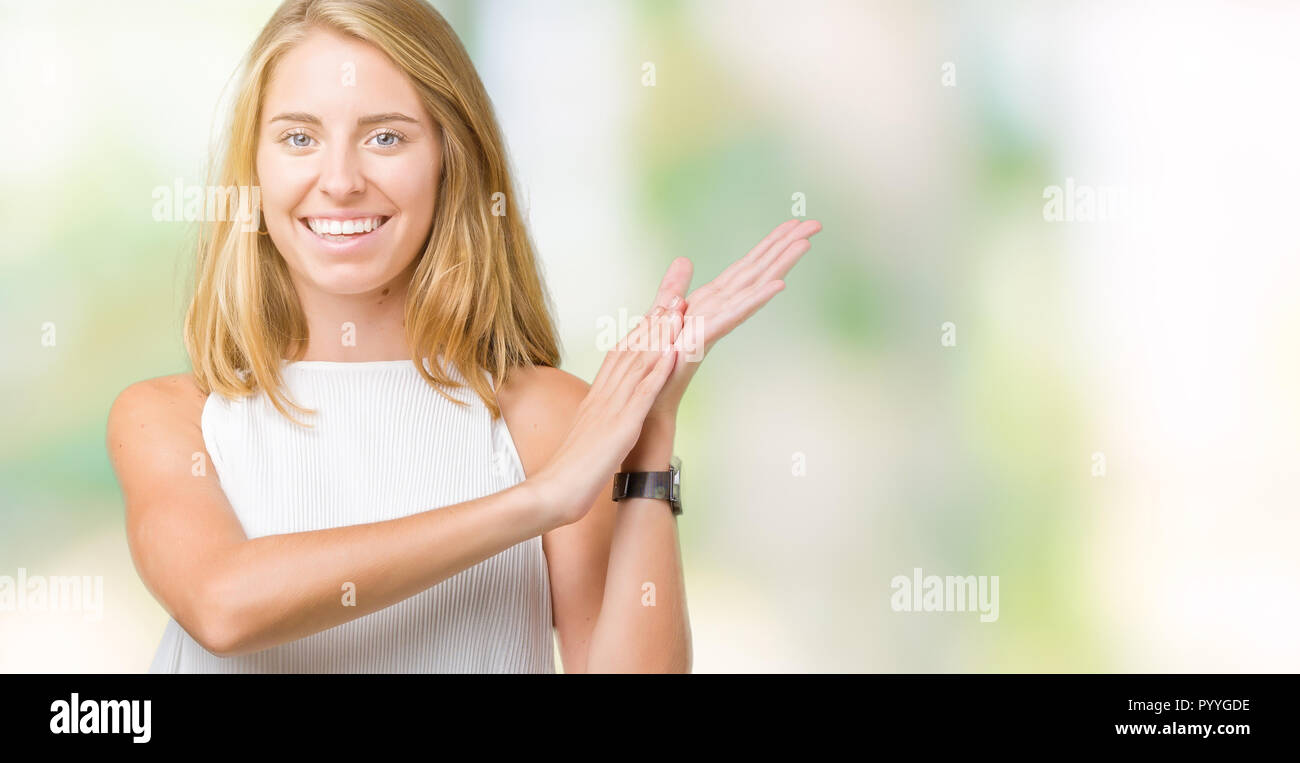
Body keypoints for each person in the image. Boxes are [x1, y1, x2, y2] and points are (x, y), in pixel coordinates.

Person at [106, 0, 821, 673]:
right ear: (254, 167)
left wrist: (650, 434)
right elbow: (223, 605)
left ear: (452, 156)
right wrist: (537, 500)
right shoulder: (174, 418)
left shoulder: (546, 417)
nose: (342, 180)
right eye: (299, 137)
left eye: (385, 136)